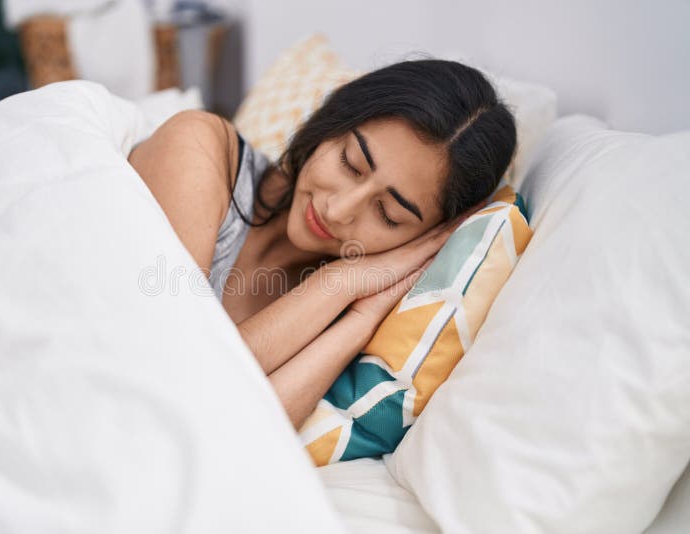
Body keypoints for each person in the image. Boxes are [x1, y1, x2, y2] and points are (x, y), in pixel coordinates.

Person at [128, 59, 516, 429]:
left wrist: (357, 308)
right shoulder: (199, 149)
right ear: (334, 120)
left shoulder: (341, 306)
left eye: (388, 215)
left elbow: (246, 432)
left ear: (422, 236)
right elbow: (167, 374)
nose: (337, 209)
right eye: (350, 162)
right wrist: (335, 286)